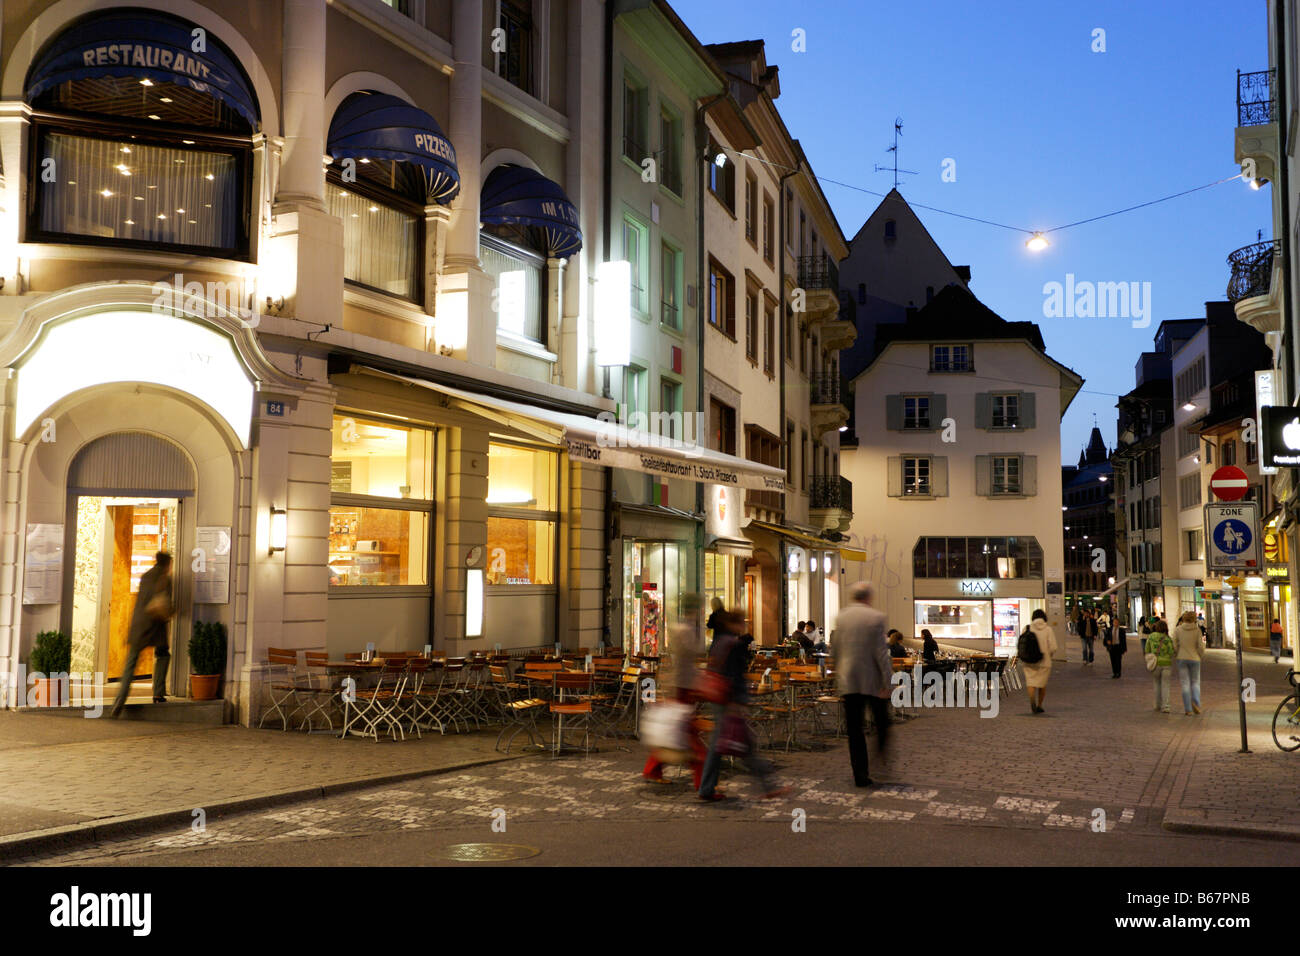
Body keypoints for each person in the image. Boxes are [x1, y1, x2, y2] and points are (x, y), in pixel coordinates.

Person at [697, 610, 788, 802]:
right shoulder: (734, 645)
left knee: (722, 745)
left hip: (719, 698)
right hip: (729, 700)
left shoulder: (718, 642)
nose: (744, 626)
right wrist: (737, 701)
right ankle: (768, 785)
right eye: (742, 622)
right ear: (735, 624)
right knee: (743, 745)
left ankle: (707, 787)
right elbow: (734, 675)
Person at [643, 593, 707, 787]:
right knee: (686, 733)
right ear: (694, 609)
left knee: (678, 731)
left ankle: (652, 769)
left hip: (680, 685)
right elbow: (694, 654)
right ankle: (704, 781)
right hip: (684, 687)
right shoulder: (685, 630)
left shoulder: (680, 628)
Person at [835, 581, 892, 787]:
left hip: (848, 679)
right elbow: (881, 653)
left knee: (855, 730)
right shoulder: (876, 617)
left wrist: (836, 675)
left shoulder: (841, 616)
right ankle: (881, 756)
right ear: (868, 597)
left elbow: (836, 649)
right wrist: (888, 680)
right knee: (882, 721)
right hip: (873, 681)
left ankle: (860, 774)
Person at [110, 552, 175, 718]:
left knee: (131, 662)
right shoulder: (165, 579)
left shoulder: (145, 576)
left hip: (139, 624)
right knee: (163, 654)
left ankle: (120, 699)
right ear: (167, 564)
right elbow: (164, 603)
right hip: (156, 625)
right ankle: (158, 693)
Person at [1021, 609, 1058, 714]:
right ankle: (1039, 705)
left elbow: (1021, 644)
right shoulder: (1048, 629)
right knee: (1042, 684)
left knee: (1031, 683)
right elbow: (1053, 647)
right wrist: (1048, 655)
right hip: (1044, 662)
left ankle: (1032, 701)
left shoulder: (1027, 628)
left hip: (1028, 662)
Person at [1173, 611, 1204, 716]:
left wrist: (1177, 653)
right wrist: (1199, 655)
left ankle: (1188, 709)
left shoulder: (1178, 630)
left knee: (1184, 683)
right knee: (1195, 683)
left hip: (1182, 657)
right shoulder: (1197, 630)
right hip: (1195, 658)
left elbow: (1175, 644)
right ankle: (1196, 703)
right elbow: (1200, 646)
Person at [1147, 619, 1176, 714]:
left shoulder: (1151, 637)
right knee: (1166, 685)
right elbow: (1172, 652)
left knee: (1156, 684)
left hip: (1155, 664)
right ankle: (1166, 706)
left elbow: (1147, 649)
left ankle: (1157, 705)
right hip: (1166, 664)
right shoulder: (1167, 639)